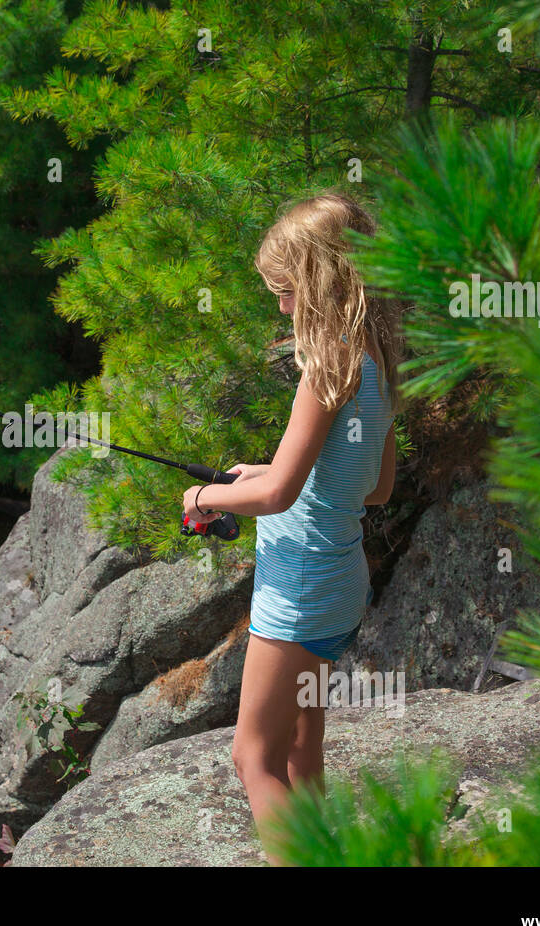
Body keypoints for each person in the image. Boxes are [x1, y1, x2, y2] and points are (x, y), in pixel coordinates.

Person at [180, 191, 403, 863]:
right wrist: (258, 474)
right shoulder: (377, 361)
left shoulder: (327, 366)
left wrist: (204, 494)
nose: (280, 306)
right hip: (340, 585)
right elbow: (375, 487)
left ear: (316, 280)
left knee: (253, 758)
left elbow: (279, 495)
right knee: (303, 750)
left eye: (285, 290)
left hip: (300, 589)